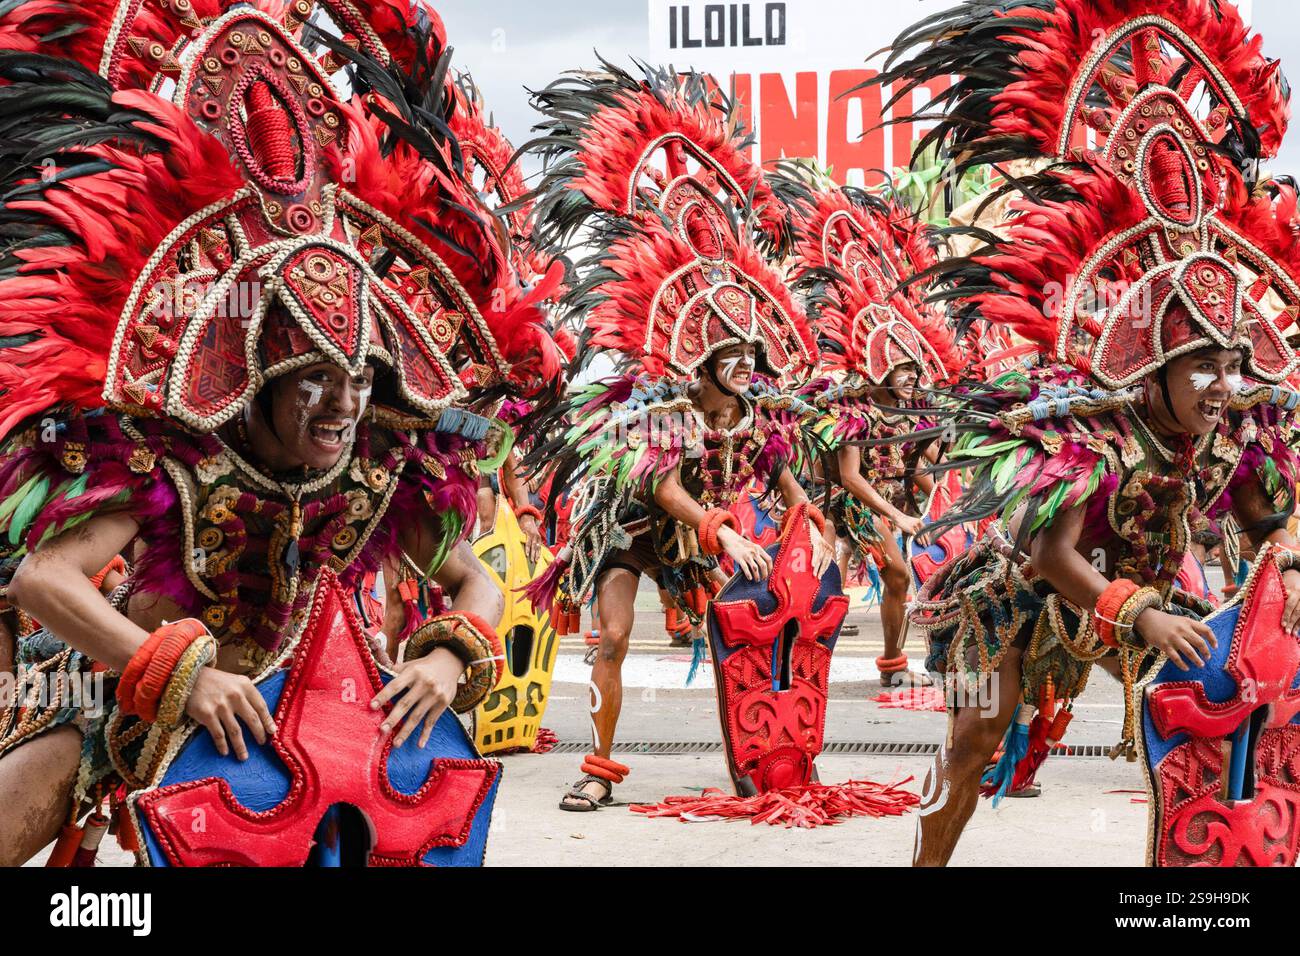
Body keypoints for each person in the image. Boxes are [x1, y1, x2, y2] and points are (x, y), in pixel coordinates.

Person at [0, 1, 561, 865]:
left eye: (357, 380)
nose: (341, 407)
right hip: (124, 698)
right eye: (312, 384)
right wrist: (179, 679)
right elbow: (46, 580)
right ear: (252, 380)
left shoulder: (376, 470)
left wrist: (449, 658)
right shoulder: (176, 457)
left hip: (309, 724)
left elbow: (473, 581)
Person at [874, 0, 1300, 865]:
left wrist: (1284, 561)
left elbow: (1271, 526)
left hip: (1142, 605)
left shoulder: (1232, 431)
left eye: (1232, 366)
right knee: (972, 747)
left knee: (1221, 702)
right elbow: (1048, 559)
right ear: (1155, 370)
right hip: (1011, 601)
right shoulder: (1088, 439)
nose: (1223, 388)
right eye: (1202, 371)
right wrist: (1139, 615)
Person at [519, 62, 832, 811]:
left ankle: (761, 756)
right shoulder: (667, 412)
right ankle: (597, 769)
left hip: (701, 545)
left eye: (753, 357)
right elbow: (660, 487)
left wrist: (812, 524)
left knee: (755, 632)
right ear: (700, 360)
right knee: (617, 637)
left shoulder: (754, 416)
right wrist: (724, 532)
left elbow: (784, 478)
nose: (748, 369)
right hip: (632, 531)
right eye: (734, 359)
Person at [785, 170, 961, 686]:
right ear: (880, 368)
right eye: (901, 370)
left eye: (914, 369)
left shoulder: (913, 410)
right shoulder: (855, 411)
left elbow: (924, 464)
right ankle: (883, 662)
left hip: (893, 505)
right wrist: (896, 517)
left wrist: (946, 482)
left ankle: (883, 661)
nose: (910, 378)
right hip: (858, 505)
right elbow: (853, 478)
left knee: (879, 577)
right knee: (895, 573)